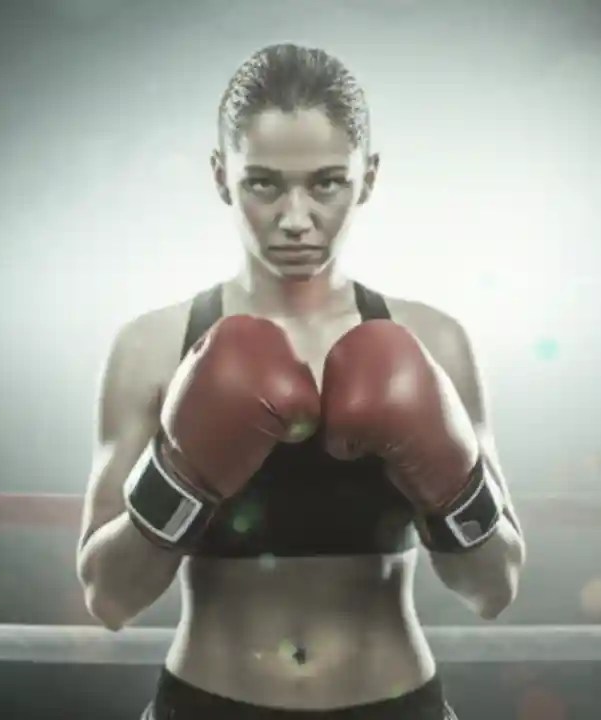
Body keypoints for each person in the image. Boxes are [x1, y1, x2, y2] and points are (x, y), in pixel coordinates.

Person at [76, 43, 526, 720]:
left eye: (325, 183)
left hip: (393, 701)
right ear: (221, 176)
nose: (294, 217)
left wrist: (446, 476)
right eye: (263, 183)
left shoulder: (431, 340)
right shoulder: (155, 347)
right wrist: (181, 474)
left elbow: (492, 588)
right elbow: (109, 598)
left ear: (367, 177)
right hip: (209, 701)